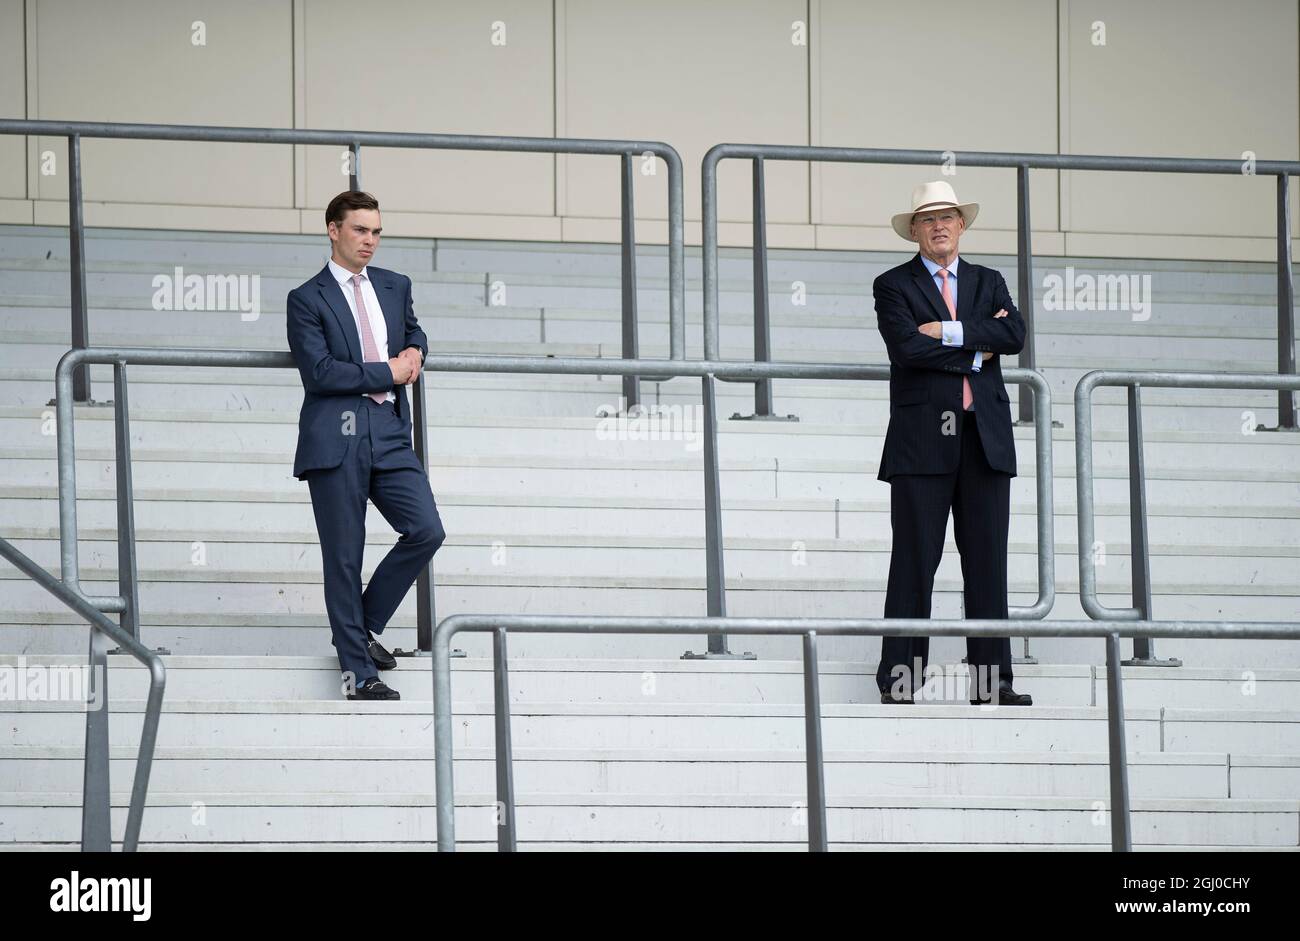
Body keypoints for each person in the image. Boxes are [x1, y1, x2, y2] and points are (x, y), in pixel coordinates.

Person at [873, 180, 1032, 707]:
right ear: (914, 230)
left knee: (987, 563)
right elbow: (906, 349)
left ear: (962, 225)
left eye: (948, 216)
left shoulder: (990, 280)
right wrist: (975, 346)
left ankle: (993, 682)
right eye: (928, 218)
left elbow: (1014, 337)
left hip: (983, 439)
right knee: (915, 560)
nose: (939, 225)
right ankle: (900, 678)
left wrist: (946, 330)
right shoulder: (892, 285)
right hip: (922, 443)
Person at [286, 191, 445, 701]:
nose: (370, 241)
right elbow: (321, 372)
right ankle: (358, 675)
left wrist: (417, 349)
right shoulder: (306, 298)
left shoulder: (396, 286)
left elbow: (414, 332)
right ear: (333, 230)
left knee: (426, 529)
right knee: (344, 555)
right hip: (337, 433)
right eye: (360, 230)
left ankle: (363, 625)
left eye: (376, 231)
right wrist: (390, 371)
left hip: (390, 429)